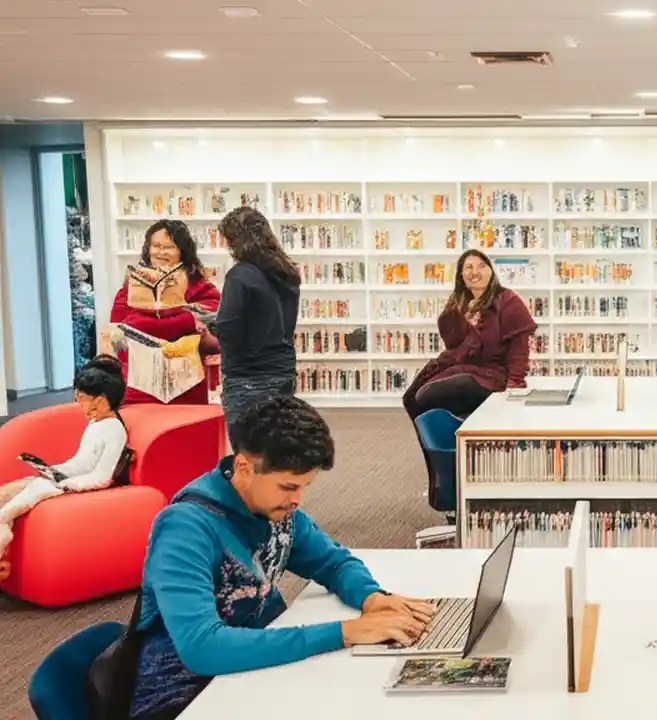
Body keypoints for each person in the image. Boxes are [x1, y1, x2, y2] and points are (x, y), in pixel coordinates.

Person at [129, 396, 435, 720]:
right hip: (186, 699)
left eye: (304, 486)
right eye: (288, 486)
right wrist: (347, 632)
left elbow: (333, 562)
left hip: (257, 674)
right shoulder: (185, 528)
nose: (297, 500)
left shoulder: (274, 509)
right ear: (244, 467)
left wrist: (371, 598)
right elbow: (201, 647)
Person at [0, 356, 128, 580]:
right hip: (63, 479)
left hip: (72, 486)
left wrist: (68, 483)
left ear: (100, 400)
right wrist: (55, 470)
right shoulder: (95, 425)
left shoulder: (115, 430)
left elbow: (102, 476)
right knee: (8, 493)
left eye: (82, 399)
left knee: (9, 509)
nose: (80, 405)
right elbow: (81, 461)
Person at [402, 249, 536, 453]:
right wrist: (464, 318)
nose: (476, 271)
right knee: (411, 396)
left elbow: (519, 347)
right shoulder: (459, 302)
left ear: (491, 271)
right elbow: (452, 343)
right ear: (461, 276)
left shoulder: (508, 301)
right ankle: (437, 457)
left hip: (492, 374)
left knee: (426, 396)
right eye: (469, 267)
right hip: (462, 366)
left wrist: (514, 384)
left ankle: (449, 451)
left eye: (482, 266)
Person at [215, 207, 302, 443]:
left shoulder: (240, 276)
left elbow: (228, 331)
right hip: (282, 370)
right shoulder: (286, 272)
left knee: (249, 454)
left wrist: (209, 327)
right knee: (276, 447)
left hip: (248, 377)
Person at [110, 220, 221, 405]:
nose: (160, 252)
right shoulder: (132, 283)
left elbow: (212, 318)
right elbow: (121, 330)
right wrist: (184, 321)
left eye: (168, 247)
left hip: (185, 382)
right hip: (139, 382)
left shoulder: (198, 284)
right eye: (156, 246)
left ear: (182, 251)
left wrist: (146, 323)